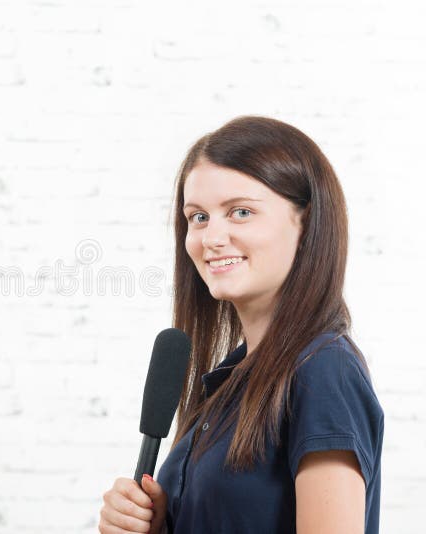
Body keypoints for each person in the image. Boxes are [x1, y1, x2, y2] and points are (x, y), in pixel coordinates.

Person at [98, 116, 384, 534]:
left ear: (305, 224)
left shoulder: (323, 372)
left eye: (241, 212)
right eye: (198, 217)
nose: (211, 237)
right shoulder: (231, 383)